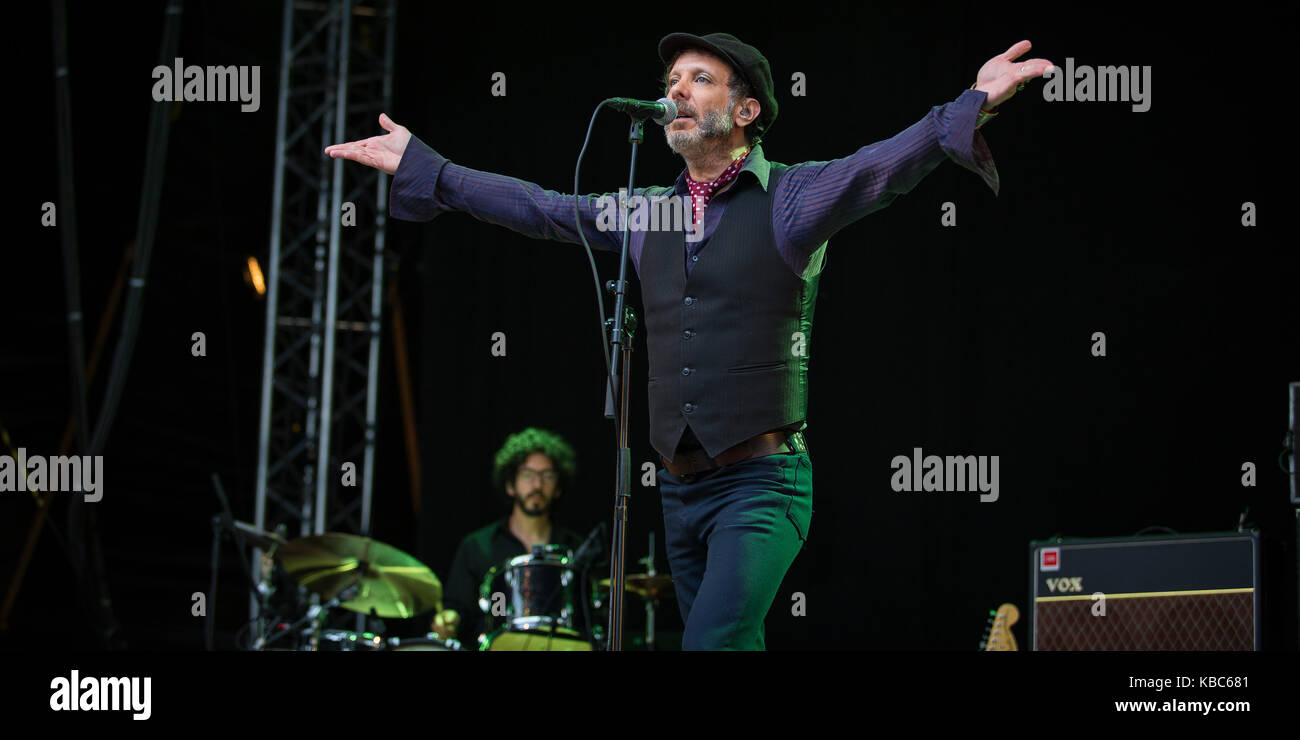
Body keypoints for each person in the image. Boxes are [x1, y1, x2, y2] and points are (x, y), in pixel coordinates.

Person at [326, 32, 1053, 649]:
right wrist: (433, 169)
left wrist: (971, 102)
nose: (677, 90)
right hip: (678, 490)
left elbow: (876, 169)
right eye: (671, 80)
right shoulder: (649, 213)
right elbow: (541, 208)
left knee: (711, 644)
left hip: (762, 485)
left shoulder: (790, 201)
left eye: (699, 79)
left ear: (745, 111)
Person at [430, 427, 587, 646]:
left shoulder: (576, 549)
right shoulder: (477, 547)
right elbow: (458, 607)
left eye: (547, 476)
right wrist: (450, 619)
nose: (537, 484)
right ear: (510, 484)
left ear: (558, 487)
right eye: (527, 474)